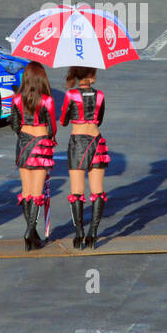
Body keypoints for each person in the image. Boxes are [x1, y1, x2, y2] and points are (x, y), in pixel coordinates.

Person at [59, 66, 110, 250]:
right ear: (90, 74)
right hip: (97, 141)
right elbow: (99, 120)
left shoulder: (71, 95)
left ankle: (79, 233)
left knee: (77, 192)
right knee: (97, 191)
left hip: (77, 143)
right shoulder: (101, 95)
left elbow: (63, 121)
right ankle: (93, 233)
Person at [11, 62, 57, 251]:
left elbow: (13, 124)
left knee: (27, 192)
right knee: (37, 193)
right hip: (40, 144)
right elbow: (52, 127)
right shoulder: (47, 100)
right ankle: (29, 231)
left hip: (22, 144)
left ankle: (32, 233)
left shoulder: (16, 100)